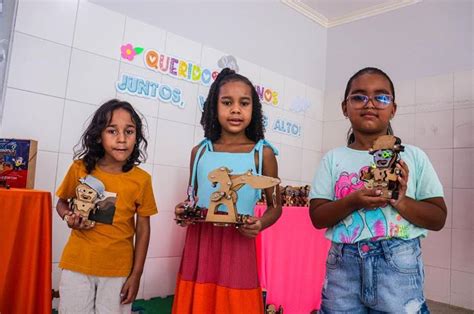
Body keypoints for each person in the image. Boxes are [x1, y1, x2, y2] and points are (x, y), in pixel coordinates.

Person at [309, 67, 447, 313]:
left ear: (393, 109)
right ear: (344, 107)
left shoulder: (413, 157)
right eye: (359, 96)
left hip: (399, 266)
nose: (369, 103)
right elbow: (318, 217)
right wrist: (353, 201)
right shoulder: (333, 159)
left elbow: (438, 217)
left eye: (381, 97)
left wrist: (400, 200)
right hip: (344, 267)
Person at [172, 68, 282, 314]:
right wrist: (184, 211)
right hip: (200, 245)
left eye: (244, 103)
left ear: (254, 110)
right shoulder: (199, 152)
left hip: (238, 245)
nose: (235, 109)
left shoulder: (262, 154)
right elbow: (193, 199)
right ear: (214, 107)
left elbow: (276, 208)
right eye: (227, 102)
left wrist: (260, 224)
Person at [56, 99, 157, 313]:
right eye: (112, 131)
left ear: (136, 137)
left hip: (118, 270)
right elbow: (62, 203)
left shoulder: (141, 180)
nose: (122, 139)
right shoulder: (80, 168)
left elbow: (143, 228)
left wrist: (136, 274)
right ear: (99, 135)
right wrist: (68, 218)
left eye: (129, 131)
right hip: (77, 264)